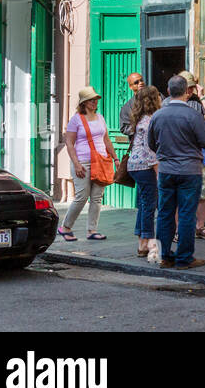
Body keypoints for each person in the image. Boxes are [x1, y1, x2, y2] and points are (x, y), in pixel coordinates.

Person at [148, 74, 205, 269]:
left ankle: (164, 256)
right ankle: (185, 257)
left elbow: (151, 143)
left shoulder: (158, 115)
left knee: (165, 214)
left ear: (168, 91)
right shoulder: (192, 114)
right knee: (186, 214)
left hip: (167, 170)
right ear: (187, 91)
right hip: (189, 170)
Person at [58, 86, 117, 242]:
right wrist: (76, 164)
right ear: (83, 103)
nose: (94, 102)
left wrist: (115, 158)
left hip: (101, 161)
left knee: (97, 197)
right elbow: (69, 143)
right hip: (83, 161)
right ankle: (65, 227)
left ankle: (92, 230)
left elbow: (106, 139)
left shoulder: (100, 118)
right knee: (81, 196)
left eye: (95, 100)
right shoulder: (76, 119)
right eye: (91, 100)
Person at [174, 70, 205, 240]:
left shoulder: (198, 103)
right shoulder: (169, 103)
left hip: (199, 155)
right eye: (187, 88)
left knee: (203, 191)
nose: (190, 91)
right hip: (179, 156)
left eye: (192, 87)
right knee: (179, 193)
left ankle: (200, 227)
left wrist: (203, 96)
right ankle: (179, 229)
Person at [126, 85, 163, 256]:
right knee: (149, 205)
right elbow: (150, 150)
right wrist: (157, 171)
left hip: (134, 165)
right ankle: (147, 243)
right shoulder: (150, 121)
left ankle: (141, 242)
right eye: (158, 97)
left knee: (143, 204)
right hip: (145, 166)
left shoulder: (139, 118)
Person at [118, 72, 145, 137]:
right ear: (130, 87)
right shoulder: (126, 108)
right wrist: (141, 128)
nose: (140, 83)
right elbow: (124, 128)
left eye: (141, 80)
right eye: (136, 82)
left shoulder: (157, 97)